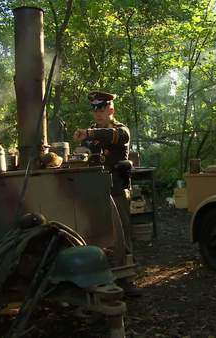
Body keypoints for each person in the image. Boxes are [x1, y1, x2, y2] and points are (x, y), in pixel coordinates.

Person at [72, 91, 141, 296]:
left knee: (121, 234)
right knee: (96, 234)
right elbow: (84, 153)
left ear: (111, 109)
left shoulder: (120, 130)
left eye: (101, 109)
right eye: (94, 109)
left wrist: (89, 134)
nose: (97, 113)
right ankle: (99, 276)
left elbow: (113, 137)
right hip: (94, 191)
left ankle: (126, 278)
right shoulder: (91, 132)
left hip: (116, 189)